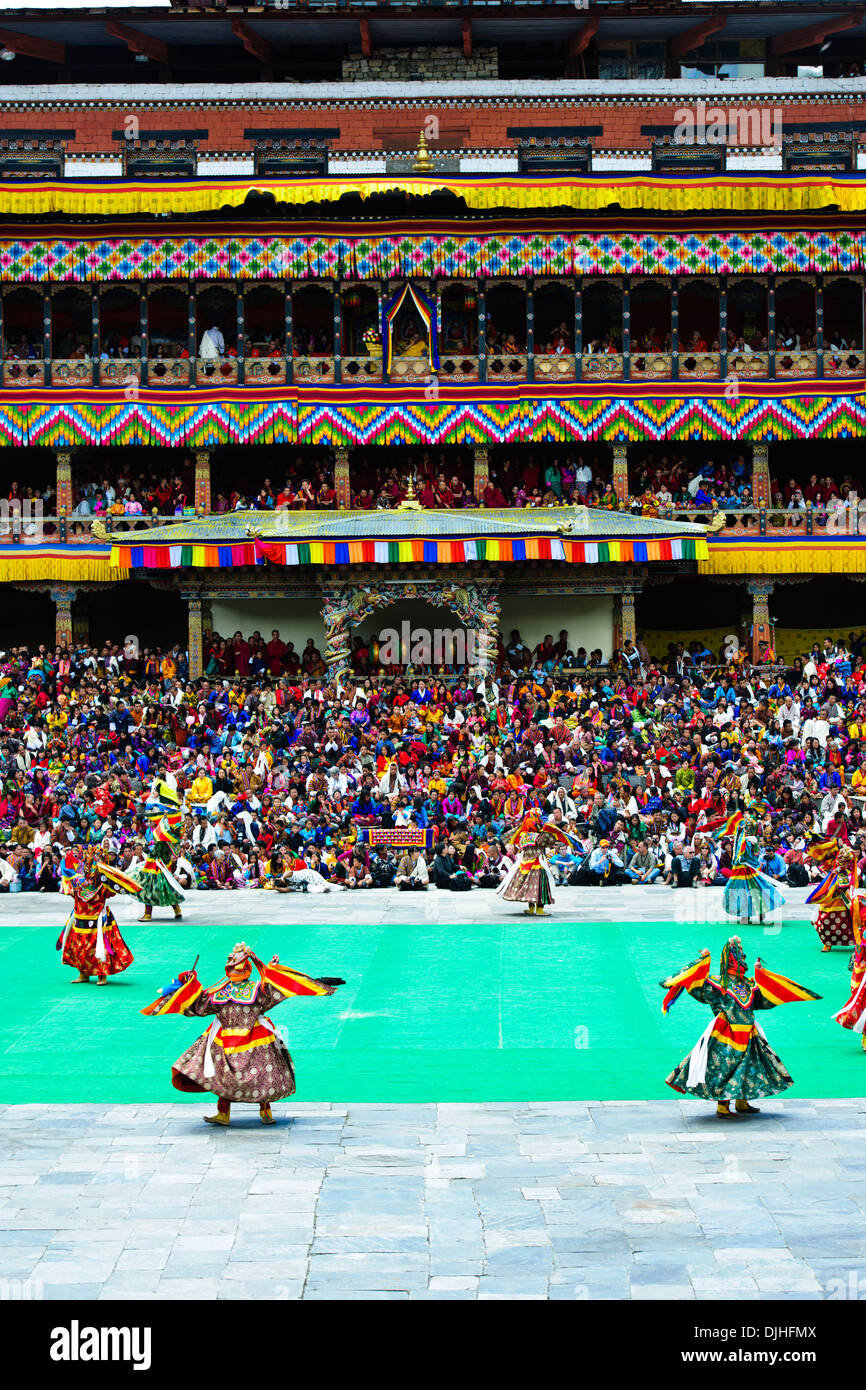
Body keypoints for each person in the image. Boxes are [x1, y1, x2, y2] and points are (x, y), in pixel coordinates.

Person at [142, 941, 344, 1126]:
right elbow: (278, 988)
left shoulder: (222, 993)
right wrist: (187, 984)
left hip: (229, 1040)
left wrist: (188, 986)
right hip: (253, 1038)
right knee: (260, 1073)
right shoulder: (254, 991)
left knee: (227, 1076)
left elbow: (198, 1006)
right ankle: (261, 1112)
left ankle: (233, 1113)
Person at [661, 937, 821, 1118]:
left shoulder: (749, 984)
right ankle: (723, 1106)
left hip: (748, 1033)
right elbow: (699, 988)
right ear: (730, 959)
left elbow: (763, 1000)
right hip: (725, 1033)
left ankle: (742, 1102)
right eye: (738, 955)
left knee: (749, 1066)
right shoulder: (718, 984)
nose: (742, 959)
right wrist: (704, 961)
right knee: (725, 1068)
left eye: (742, 955)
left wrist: (761, 974)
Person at [56, 847, 138, 986]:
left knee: (100, 947)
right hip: (80, 919)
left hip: (98, 919)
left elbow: (114, 891)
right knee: (80, 947)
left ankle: (102, 975)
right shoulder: (77, 882)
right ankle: (83, 974)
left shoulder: (101, 883)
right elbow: (66, 888)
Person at [496, 811, 574, 915]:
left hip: (524, 864)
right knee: (539, 887)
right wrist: (548, 831)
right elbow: (550, 843)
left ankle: (531, 909)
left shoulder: (522, 835)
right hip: (537, 864)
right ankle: (540, 909)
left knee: (528, 887)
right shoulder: (540, 836)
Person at [131, 780, 185, 922]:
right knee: (166, 888)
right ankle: (176, 909)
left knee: (148, 888)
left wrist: (166, 817)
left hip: (157, 865)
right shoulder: (164, 831)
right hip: (161, 864)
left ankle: (149, 914)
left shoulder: (164, 832)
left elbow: (159, 848)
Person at [806, 838, 861, 950]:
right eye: (840, 859)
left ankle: (855, 942)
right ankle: (827, 943)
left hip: (841, 901)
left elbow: (843, 888)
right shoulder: (832, 870)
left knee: (846, 921)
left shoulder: (845, 875)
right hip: (829, 900)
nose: (840, 861)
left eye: (844, 861)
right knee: (823, 919)